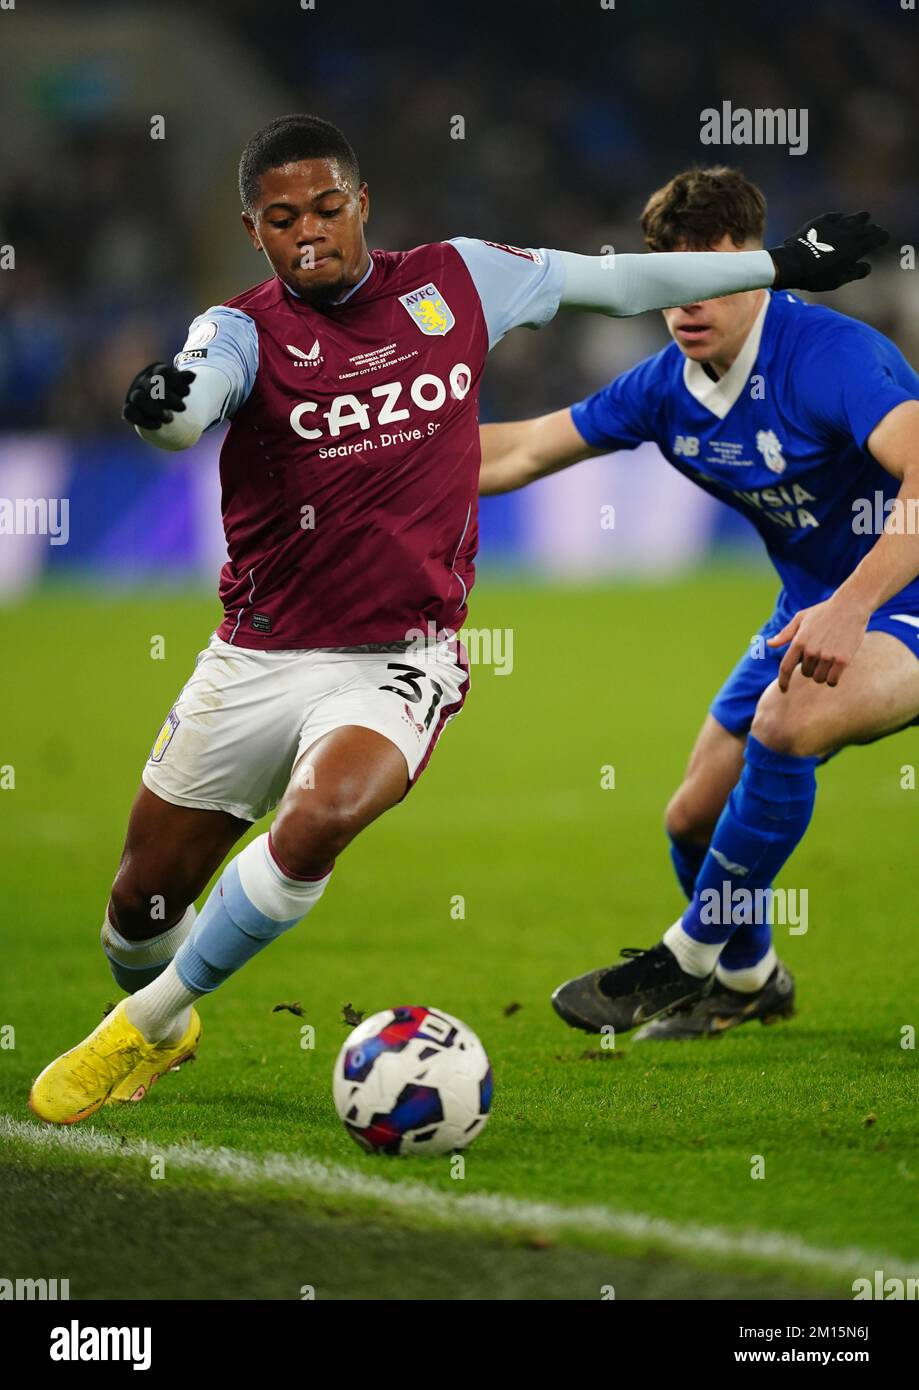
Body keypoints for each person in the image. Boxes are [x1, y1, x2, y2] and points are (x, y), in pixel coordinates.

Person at [29, 126, 885, 1123]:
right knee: (140, 912)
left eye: (325, 208)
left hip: (403, 655)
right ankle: (162, 1010)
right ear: (253, 230)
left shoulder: (463, 279)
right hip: (257, 651)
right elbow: (187, 403)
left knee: (323, 816)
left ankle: (143, 1022)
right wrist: (159, 405)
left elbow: (610, 282)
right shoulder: (241, 328)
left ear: (361, 202)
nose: (308, 232)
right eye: (281, 218)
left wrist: (785, 265)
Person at [478, 165, 917, 1041]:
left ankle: (685, 956)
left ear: (753, 265)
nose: (687, 300)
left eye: (709, 272)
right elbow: (521, 451)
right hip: (812, 605)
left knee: (786, 721)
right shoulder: (664, 391)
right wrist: (375, 455)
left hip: (896, 593)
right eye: (669, 276)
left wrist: (852, 604)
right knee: (691, 815)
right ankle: (749, 977)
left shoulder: (830, 356)